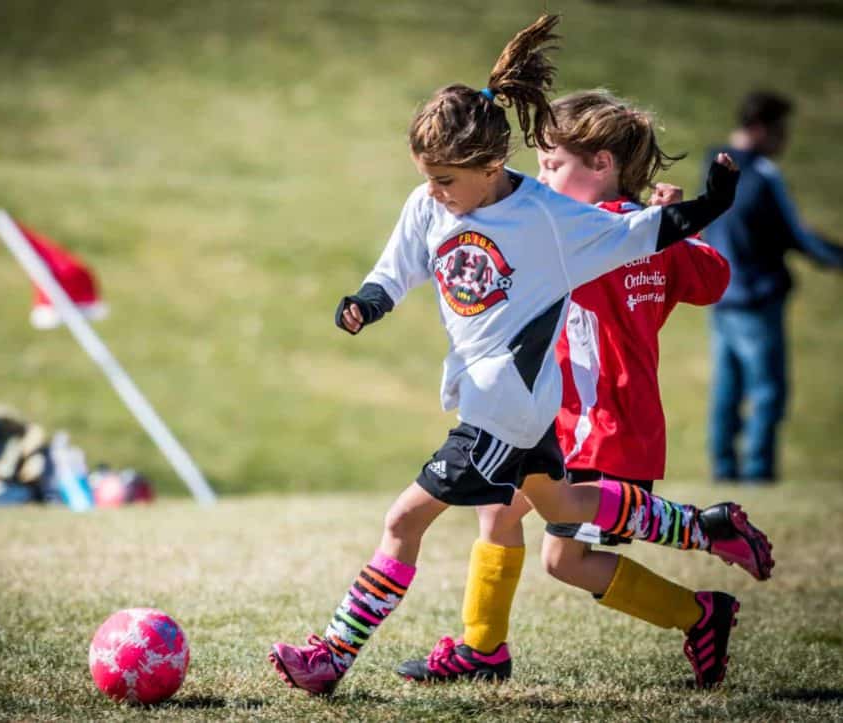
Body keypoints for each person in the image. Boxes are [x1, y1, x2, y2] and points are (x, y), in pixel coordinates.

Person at [268, 15, 771, 697]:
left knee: (403, 520)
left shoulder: (545, 216)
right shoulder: (431, 203)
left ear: (487, 167)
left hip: (503, 409)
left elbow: (643, 232)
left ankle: (332, 653)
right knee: (557, 506)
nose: (436, 192)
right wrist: (367, 301)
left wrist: (714, 201)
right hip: (527, 408)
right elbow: (398, 265)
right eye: (430, 178)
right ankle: (703, 530)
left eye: (448, 179)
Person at [395, 90, 741, 690]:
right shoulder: (622, 231)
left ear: (601, 165)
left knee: (565, 560)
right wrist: (672, 232)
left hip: (605, 428)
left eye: (553, 164)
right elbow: (712, 279)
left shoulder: (582, 233)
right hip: (558, 419)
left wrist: (663, 231)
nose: (541, 177)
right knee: (498, 513)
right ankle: (483, 649)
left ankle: (701, 608)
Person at [705, 91, 843, 483]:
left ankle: (724, 470)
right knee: (766, 392)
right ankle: (758, 472)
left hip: (722, 296)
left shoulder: (714, 166)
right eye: (781, 131)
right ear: (762, 129)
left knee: (727, 390)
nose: (785, 141)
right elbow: (796, 234)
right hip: (757, 298)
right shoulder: (763, 173)